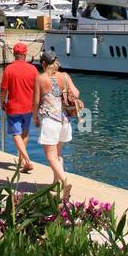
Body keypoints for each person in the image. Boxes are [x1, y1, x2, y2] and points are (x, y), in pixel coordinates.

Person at [32, 51, 80, 198]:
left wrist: (35, 117)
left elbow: (36, 101)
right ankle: (55, 183)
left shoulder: (41, 78)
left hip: (50, 120)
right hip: (64, 120)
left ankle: (65, 182)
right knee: (58, 154)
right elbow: (76, 94)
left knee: (51, 156)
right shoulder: (64, 76)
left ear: (44, 63)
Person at [0, 41, 37, 172]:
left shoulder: (9, 69)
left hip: (14, 107)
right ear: (25, 54)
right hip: (29, 107)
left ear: (14, 54)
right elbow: (37, 88)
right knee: (24, 134)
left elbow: (3, 89)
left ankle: (27, 160)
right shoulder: (33, 69)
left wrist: (1, 101)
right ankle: (21, 162)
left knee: (16, 134)